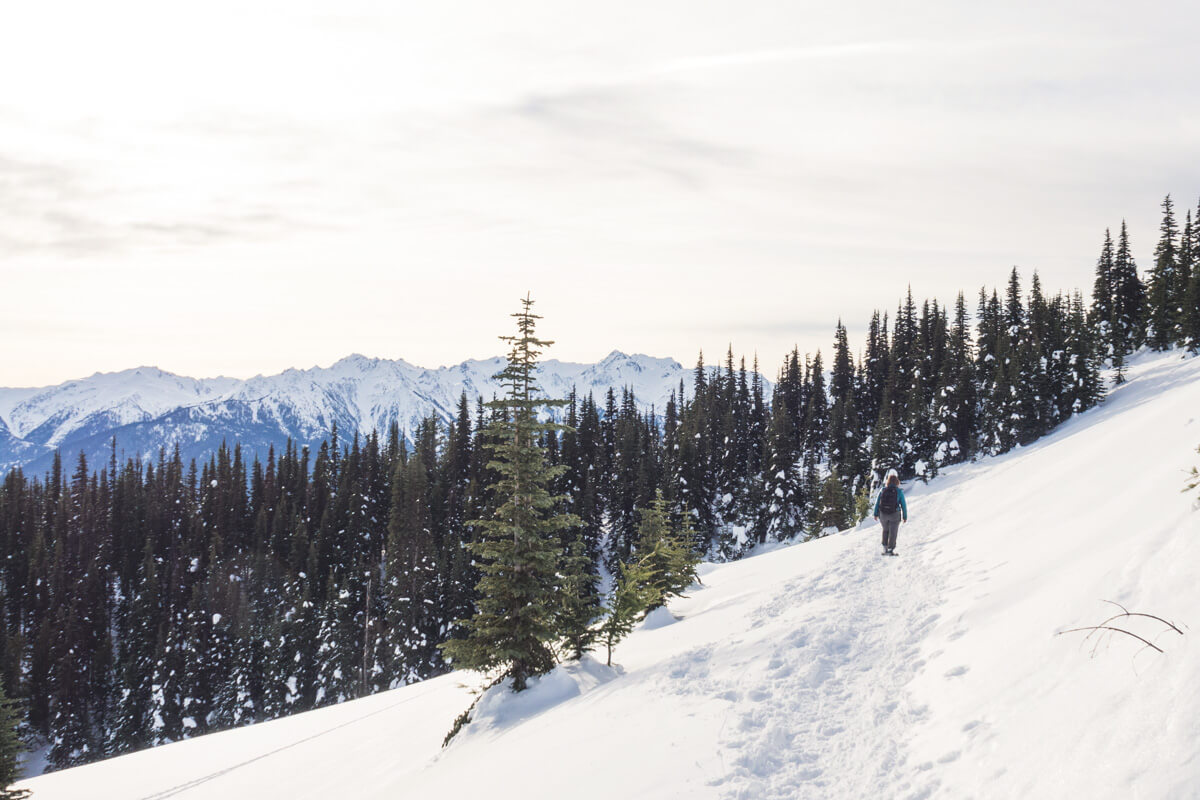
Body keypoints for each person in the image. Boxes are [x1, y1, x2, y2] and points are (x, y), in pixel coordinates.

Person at [873, 469, 908, 555]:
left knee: (885, 530)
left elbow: (877, 503)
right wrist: (905, 516)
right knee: (893, 532)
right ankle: (890, 549)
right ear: (897, 482)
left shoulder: (882, 490)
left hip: (883, 514)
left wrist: (875, 514)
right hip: (894, 515)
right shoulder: (899, 491)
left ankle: (884, 548)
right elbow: (903, 505)